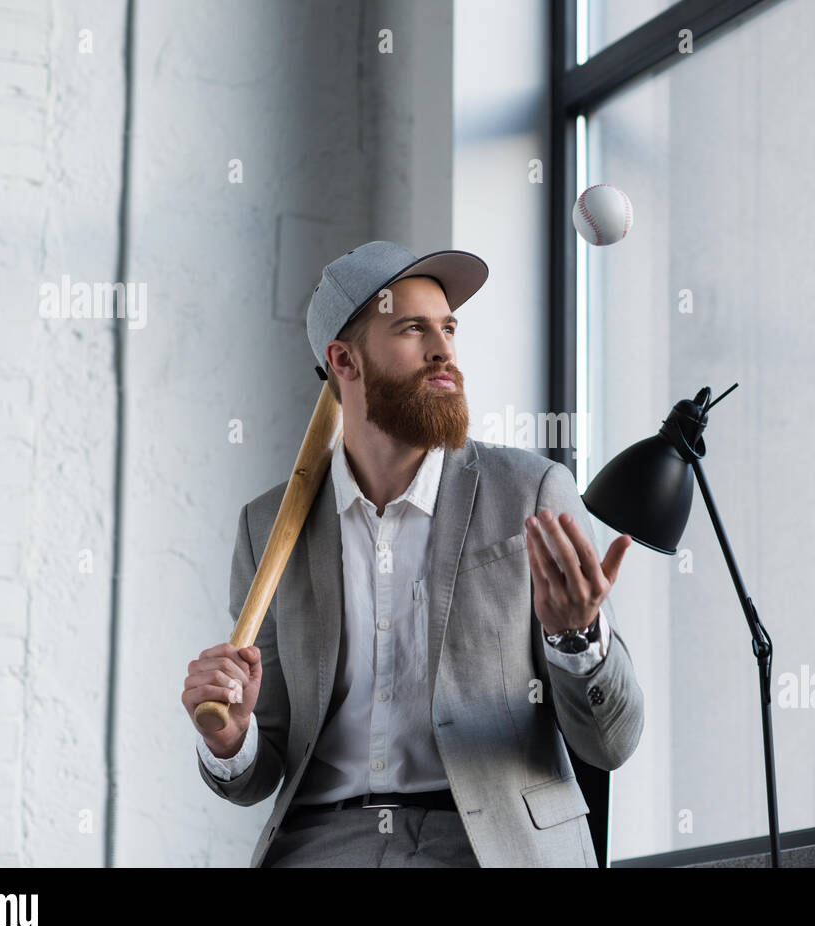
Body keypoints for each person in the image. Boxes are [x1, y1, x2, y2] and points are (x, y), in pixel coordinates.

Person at [181, 240, 645, 867]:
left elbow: (611, 743)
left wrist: (578, 639)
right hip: (323, 841)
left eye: (448, 328)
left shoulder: (530, 493)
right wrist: (231, 740)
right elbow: (262, 767)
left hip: (489, 843)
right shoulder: (266, 527)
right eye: (412, 329)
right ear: (343, 360)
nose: (443, 350)